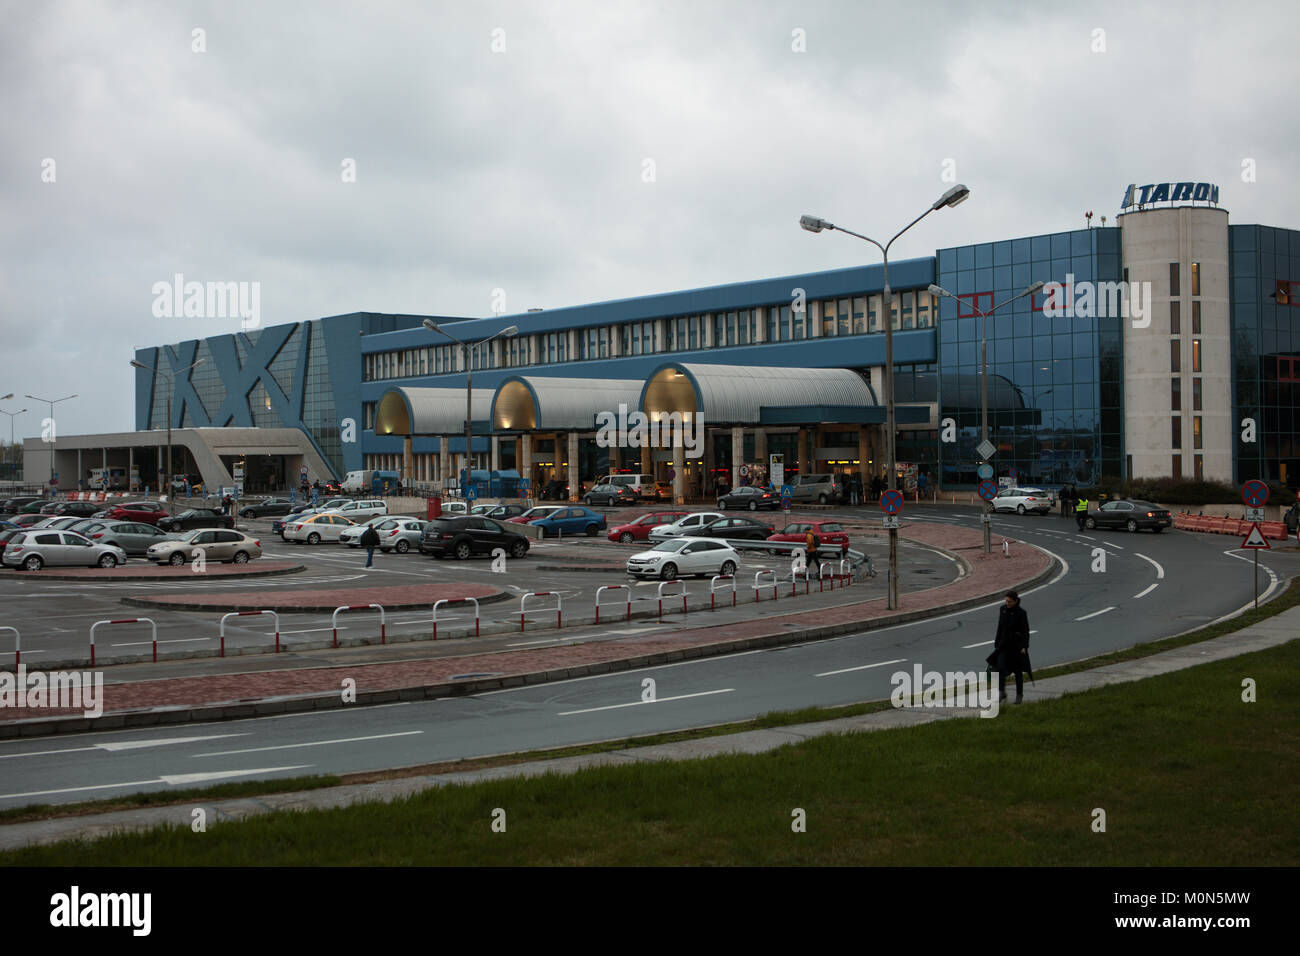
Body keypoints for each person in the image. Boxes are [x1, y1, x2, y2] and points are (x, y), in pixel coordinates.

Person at [986, 590, 1031, 703]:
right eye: (1006, 601)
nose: (1007, 603)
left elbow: (1025, 631)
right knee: (1000, 668)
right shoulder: (1003, 609)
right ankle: (1002, 692)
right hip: (1003, 645)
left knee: (1018, 671)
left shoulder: (1021, 613)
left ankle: (1019, 695)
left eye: (1009, 601)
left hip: (1016, 646)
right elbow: (1000, 627)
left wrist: (1024, 646)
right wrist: (996, 642)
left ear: (1016, 601)